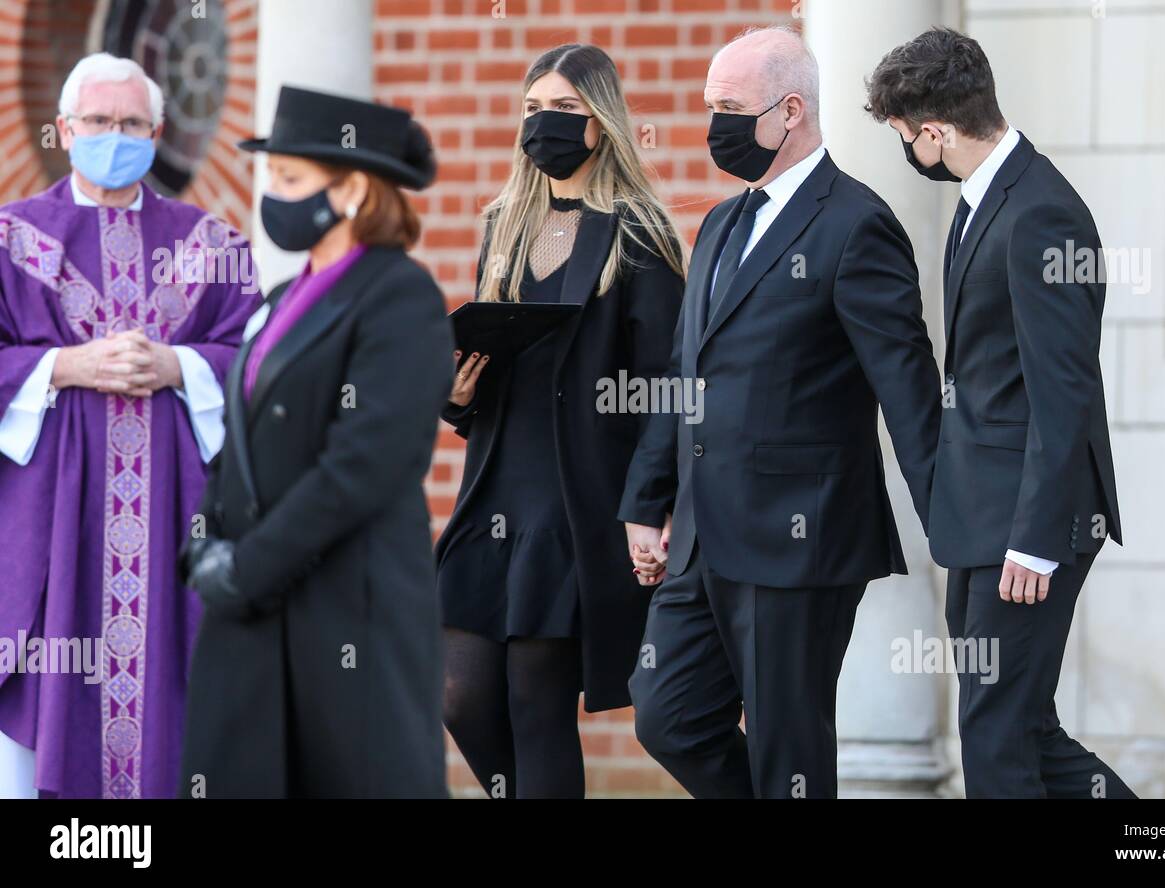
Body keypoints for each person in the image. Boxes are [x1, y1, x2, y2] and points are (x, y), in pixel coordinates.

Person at [623, 26, 942, 799]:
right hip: (700, 536)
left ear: (789, 110)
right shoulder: (721, 224)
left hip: (800, 537)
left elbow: (909, 392)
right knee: (667, 715)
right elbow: (682, 374)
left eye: (729, 108)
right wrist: (646, 500)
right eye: (708, 108)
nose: (713, 127)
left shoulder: (856, 224)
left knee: (788, 748)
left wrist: (959, 524)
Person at [866, 27, 1135, 799]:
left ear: (934, 131)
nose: (907, 152)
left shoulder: (1041, 212)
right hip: (987, 517)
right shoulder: (992, 198)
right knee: (1021, 727)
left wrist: (1035, 543)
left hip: (1027, 530)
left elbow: (1065, 391)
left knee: (994, 738)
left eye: (903, 137)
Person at [177, 86, 453, 798]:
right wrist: (203, 541)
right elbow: (239, 444)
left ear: (354, 188)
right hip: (252, 612)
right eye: (273, 177)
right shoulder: (277, 301)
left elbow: (366, 464)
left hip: (346, 609)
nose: (274, 197)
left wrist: (251, 566)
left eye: (291, 180)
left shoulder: (401, 296)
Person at [0, 53, 258, 798]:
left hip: (175, 529)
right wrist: (64, 367)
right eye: (100, 122)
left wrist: (180, 367)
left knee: (171, 709)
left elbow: (264, 361)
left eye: (132, 123)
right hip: (49, 527)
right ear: (63, 130)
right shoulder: (13, 242)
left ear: (159, 131)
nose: (117, 135)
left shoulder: (213, 246)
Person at [437, 43, 685, 799]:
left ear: (602, 123)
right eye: (533, 109)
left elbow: (665, 388)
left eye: (566, 110)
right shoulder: (502, 224)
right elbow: (497, 367)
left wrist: (651, 506)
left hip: (576, 499)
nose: (545, 124)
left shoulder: (639, 232)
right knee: (464, 697)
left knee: (536, 703)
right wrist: (457, 395)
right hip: (495, 488)